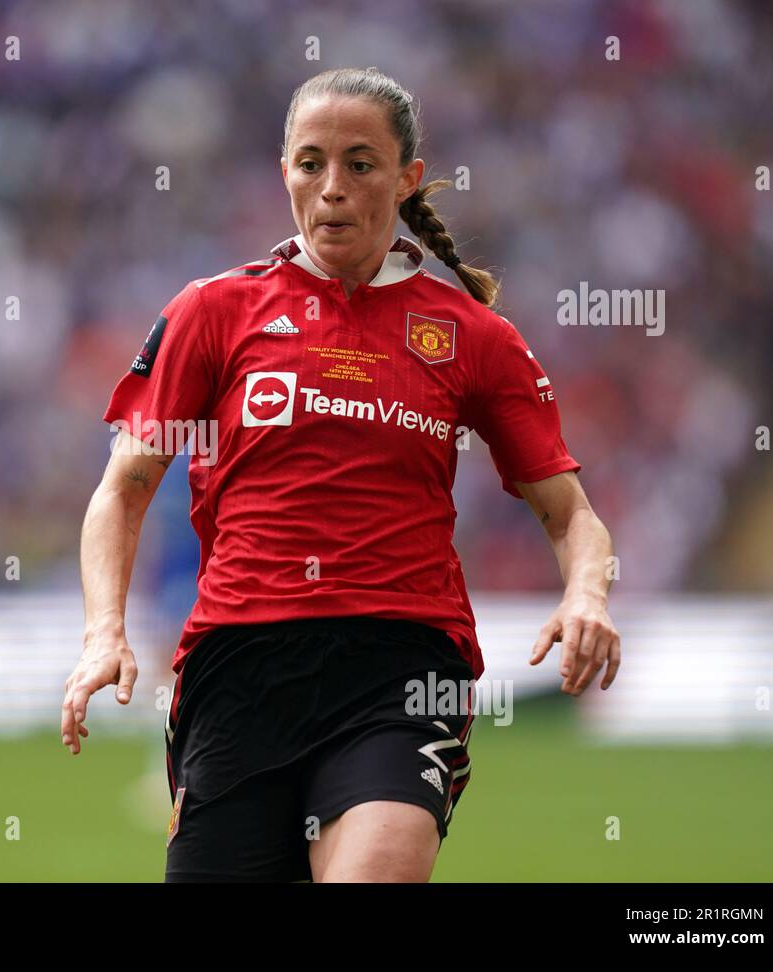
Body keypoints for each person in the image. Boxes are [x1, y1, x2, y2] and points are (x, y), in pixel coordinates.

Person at [63, 67, 621, 883]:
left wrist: (586, 596)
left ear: (407, 180)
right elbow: (124, 488)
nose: (332, 188)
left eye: (360, 164)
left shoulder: (472, 336)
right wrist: (103, 633)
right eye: (310, 163)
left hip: (401, 667)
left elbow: (569, 512)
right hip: (238, 668)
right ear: (283, 171)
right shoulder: (214, 311)